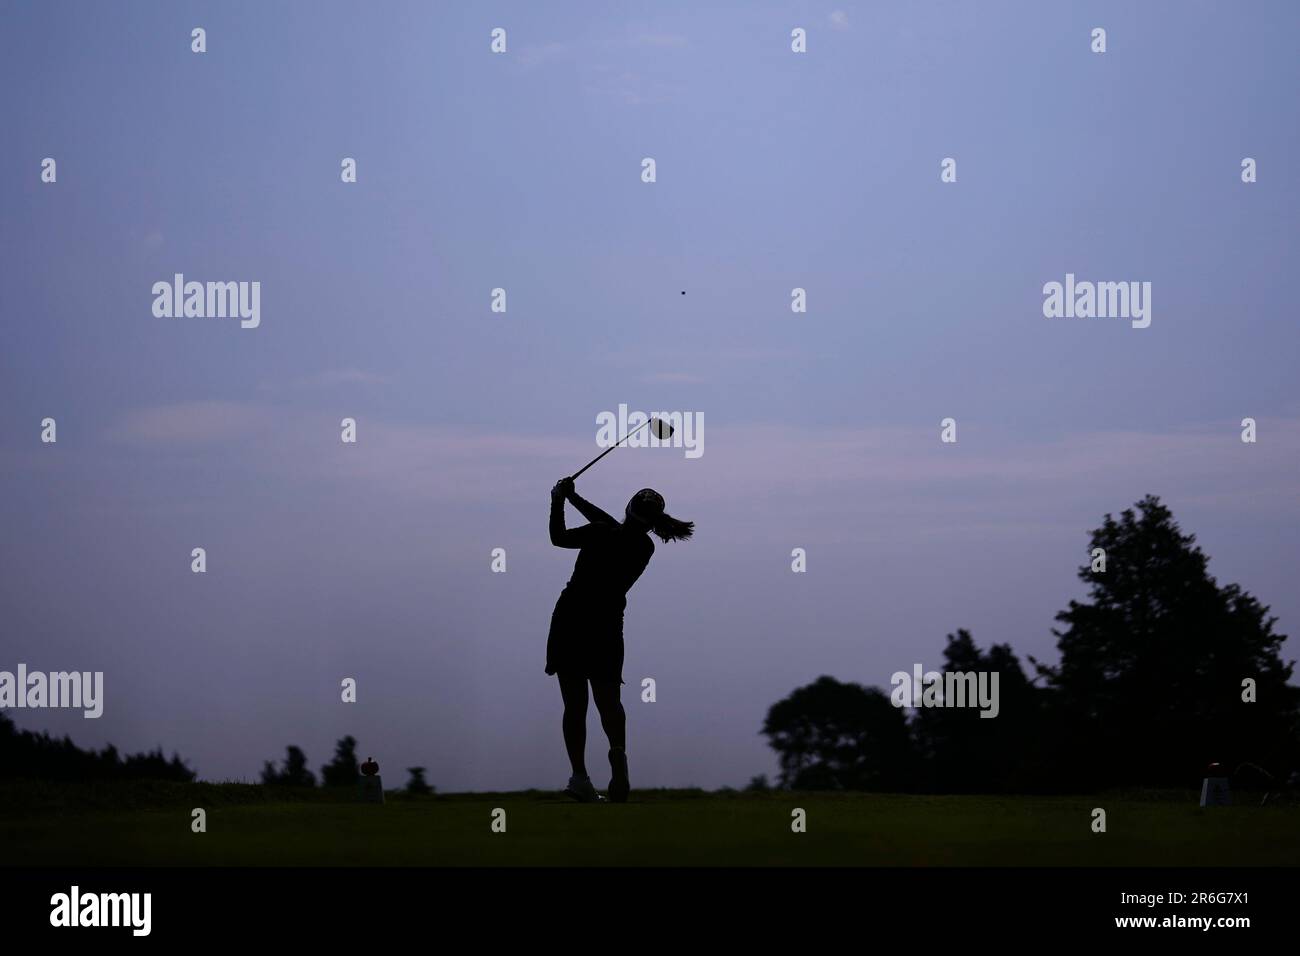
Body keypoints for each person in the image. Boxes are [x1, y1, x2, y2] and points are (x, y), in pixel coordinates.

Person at [546, 477, 694, 802]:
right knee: (609, 701)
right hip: (607, 625)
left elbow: (558, 537)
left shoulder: (601, 532)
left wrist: (559, 500)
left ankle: (580, 778)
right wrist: (574, 498)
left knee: (575, 705)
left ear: (628, 508)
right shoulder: (643, 547)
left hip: (571, 619)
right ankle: (617, 752)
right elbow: (610, 525)